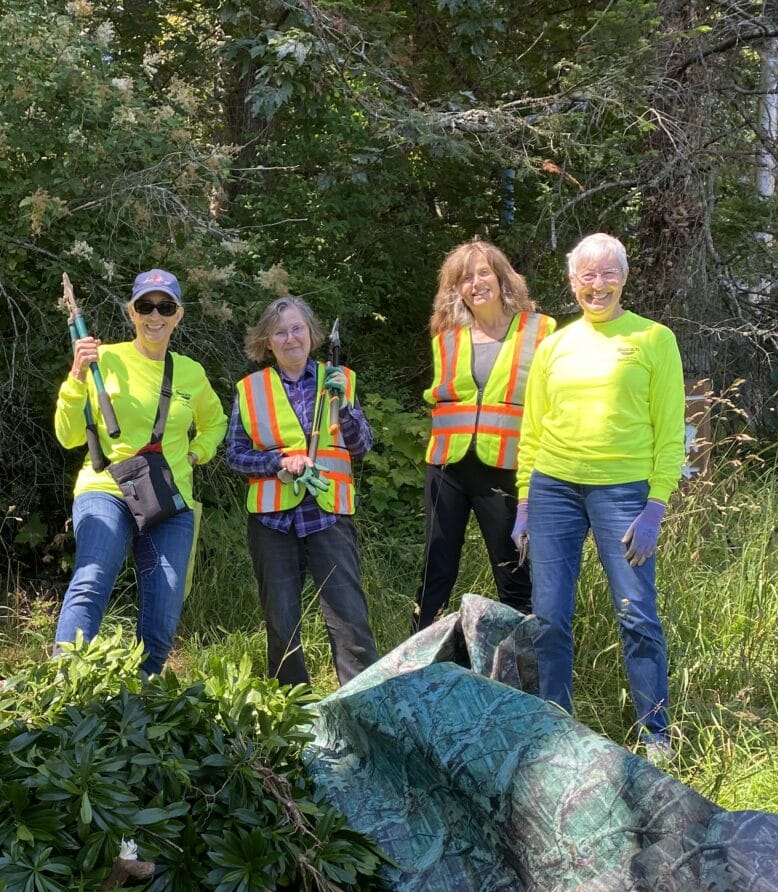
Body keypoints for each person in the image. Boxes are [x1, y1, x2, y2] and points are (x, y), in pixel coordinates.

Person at [512, 233, 684, 757]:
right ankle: (556, 731)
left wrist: (656, 506)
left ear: (624, 278)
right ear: (572, 283)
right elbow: (533, 430)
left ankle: (657, 735)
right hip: (553, 490)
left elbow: (670, 429)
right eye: (587, 275)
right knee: (549, 615)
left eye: (608, 273)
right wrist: (523, 505)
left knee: (636, 611)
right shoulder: (554, 346)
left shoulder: (654, 340)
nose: (598, 284)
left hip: (625, 493)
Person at [54, 269, 227, 673]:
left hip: (168, 497)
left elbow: (216, 422)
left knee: (165, 604)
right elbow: (67, 436)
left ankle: (141, 697)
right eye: (145, 306)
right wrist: (78, 375)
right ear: (131, 312)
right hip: (107, 487)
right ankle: (64, 682)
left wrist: (196, 454)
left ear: (178, 315)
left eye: (165, 307)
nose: (155, 315)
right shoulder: (103, 359)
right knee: (93, 577)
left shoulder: (191, 373)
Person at [227, 296, 379, 686]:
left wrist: (344, 405)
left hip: (328, 515)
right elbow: (236, 455)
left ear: (311, 334)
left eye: (297, 329)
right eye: (280, 332)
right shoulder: (249, 389)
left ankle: (362, 710)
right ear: (267, 342)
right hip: (272, 522)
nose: (290, 338)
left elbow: (361, 447)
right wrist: (277, 462)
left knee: (350, 623)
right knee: (282, 626)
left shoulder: (339, 379)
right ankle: (291, 717)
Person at [414, 239, 555, 630]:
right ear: (455, 289)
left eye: (483, 272)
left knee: (514, 572)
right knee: (435, 568)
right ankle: (418, 662)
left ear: (501, 277)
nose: (475, 283)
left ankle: (525, 665)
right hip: (447, 467)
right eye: (465, 278)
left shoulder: (541, 331)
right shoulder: (446, 339)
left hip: (509, 468)